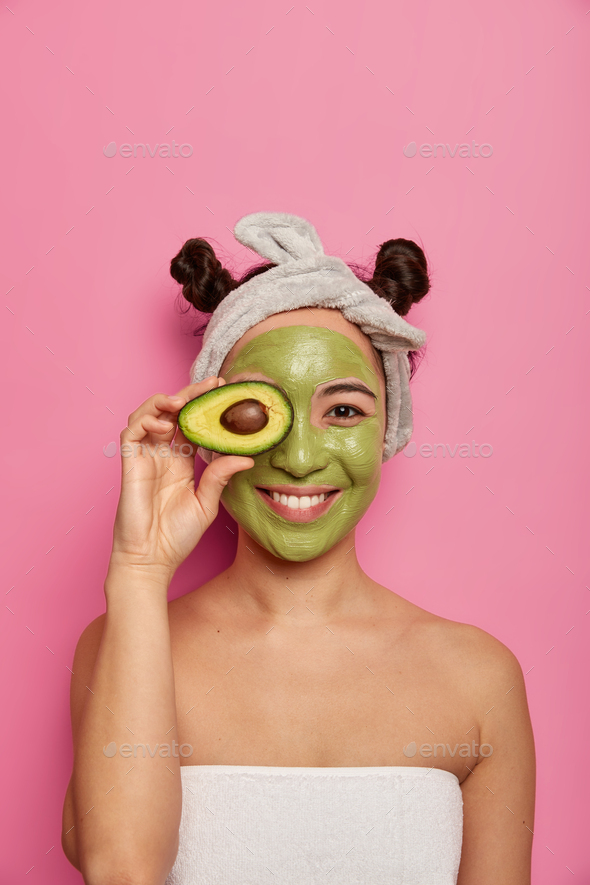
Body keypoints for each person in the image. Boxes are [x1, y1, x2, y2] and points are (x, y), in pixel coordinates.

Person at [61, 212, 535, 885]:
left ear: (388, 431)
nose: (302, 456)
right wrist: (139, 571)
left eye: (343, 410)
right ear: (210, 428)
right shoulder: (121, 644)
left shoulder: (478, 675)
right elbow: (121, 871)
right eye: (258, 410)